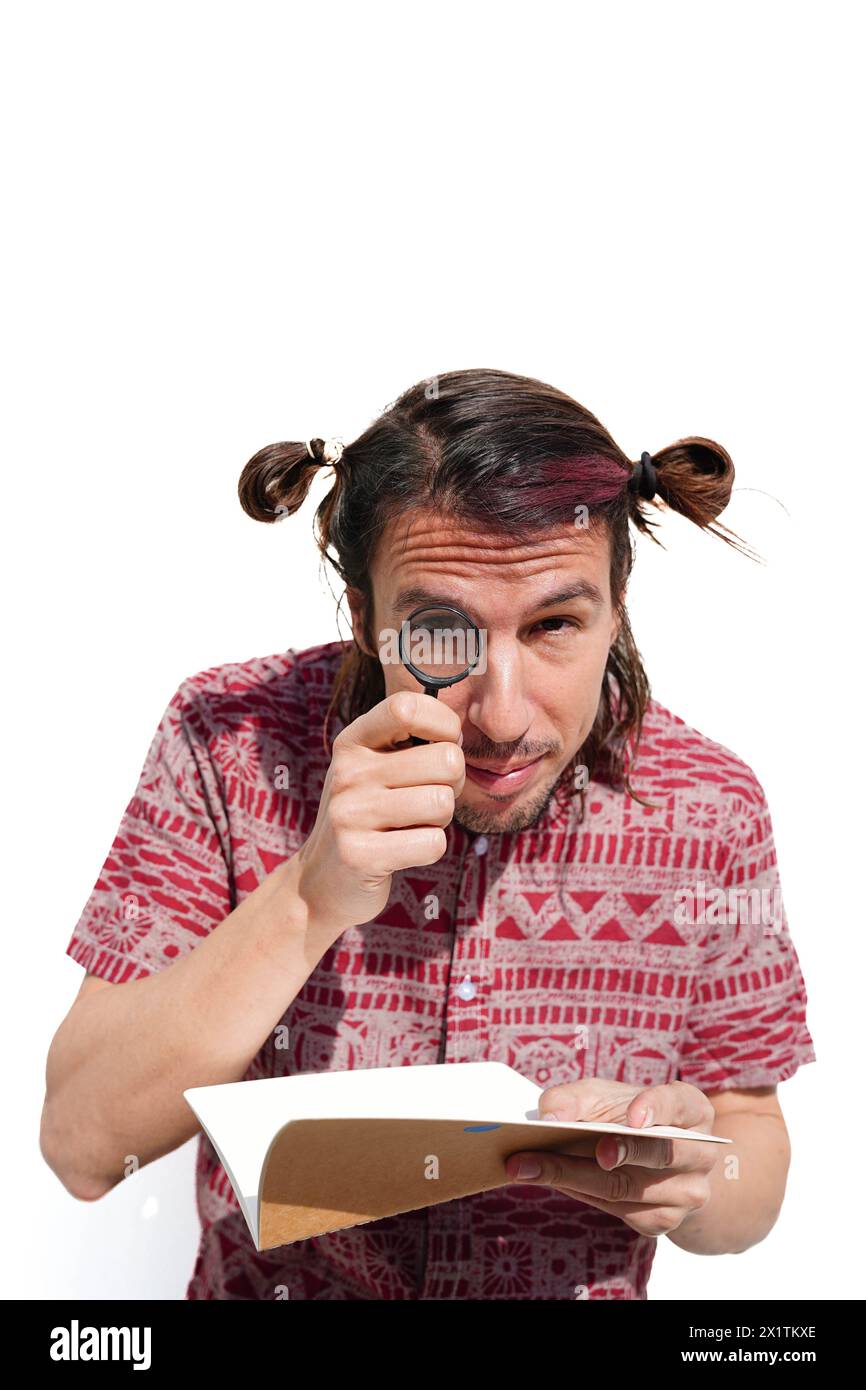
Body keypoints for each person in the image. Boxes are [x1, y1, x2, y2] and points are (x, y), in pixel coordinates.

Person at [41, 367, 816, 1300]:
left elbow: (751, 1156)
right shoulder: (227, 741)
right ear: (364, 613)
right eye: (439, 630)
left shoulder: (710, 806)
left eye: (556, 624)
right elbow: (84, 1148)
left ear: (618, 603)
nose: (501, 712)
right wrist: (306, 897)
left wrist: (688, 1178)